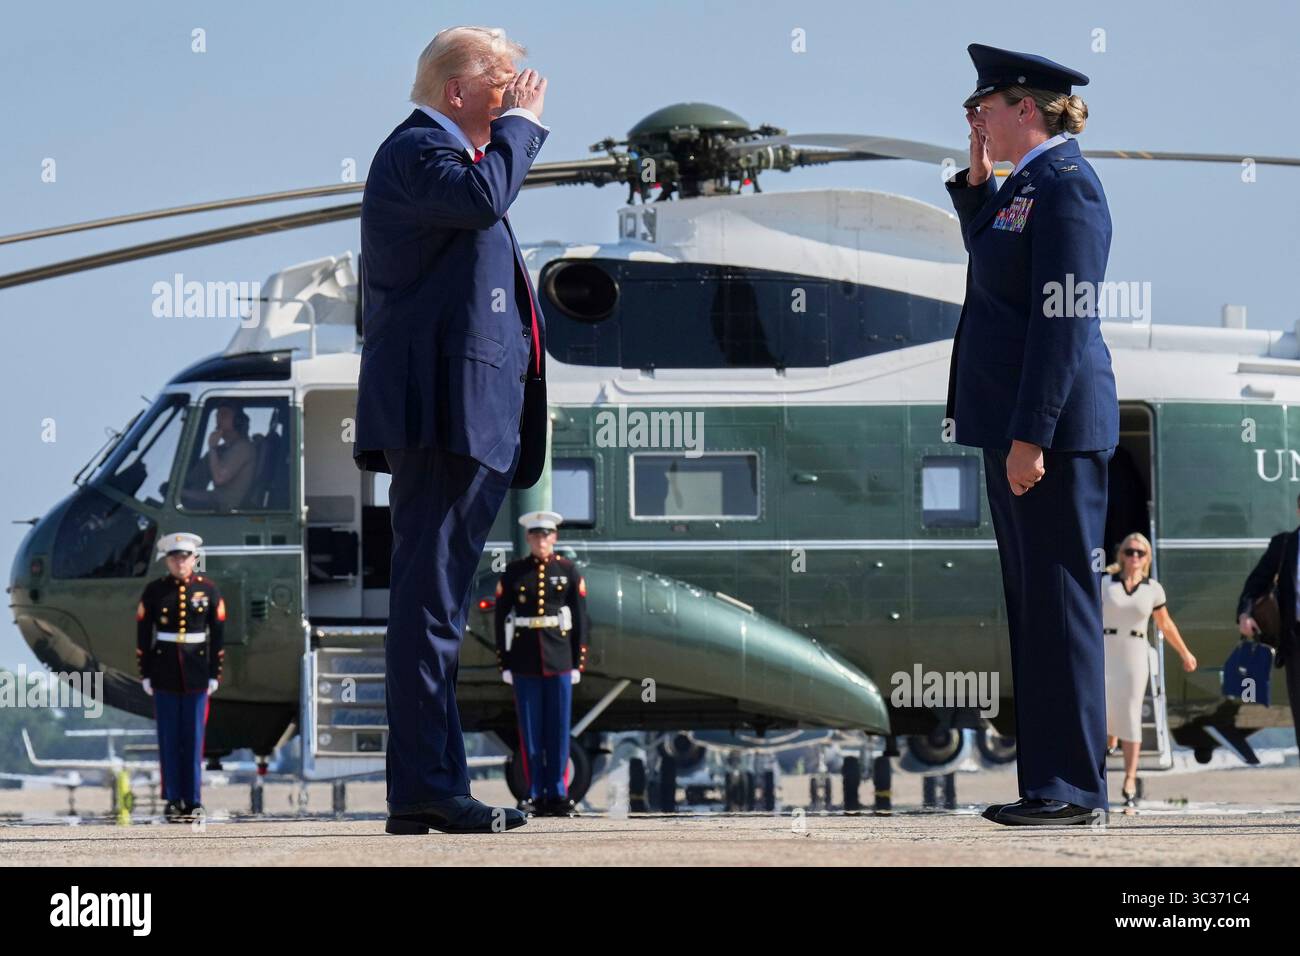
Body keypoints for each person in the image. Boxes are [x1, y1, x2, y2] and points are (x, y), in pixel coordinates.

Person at [351, 26, 551, 836]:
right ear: (455, 91)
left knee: (435, 608)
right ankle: (428, 786)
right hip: (441, 416)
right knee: (428, 610)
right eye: (499, 79)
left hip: (468, 418)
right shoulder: (420, 156)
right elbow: (483, 203)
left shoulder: (456, 162)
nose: (515, 89)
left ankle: (425, 788)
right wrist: (525, 131)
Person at [944, 43, 1119, 826]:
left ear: (1027, 107)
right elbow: (999, 270)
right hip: (1016, 430)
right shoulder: (1024, 188)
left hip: (1047, 435)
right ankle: (1047, 783)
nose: (975, 116)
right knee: (1034, 610)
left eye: (986, 104)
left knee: (1060, 605)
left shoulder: (1068, 188)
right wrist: (977, 186)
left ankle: (1073, 788)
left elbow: (1063, 325)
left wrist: (1031, 435)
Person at [495, 511, 589, 817]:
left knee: (559, 730)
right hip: (524, 659)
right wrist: (505, 661)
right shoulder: (513, 573)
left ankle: (558, 793)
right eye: (536, 536)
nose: (542, 540)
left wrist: (577, 662)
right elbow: (500, 619)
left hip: (560, 658)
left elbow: (581, 621)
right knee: (530, 731)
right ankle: (535, 793)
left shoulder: (568, 571)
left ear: (555, 538)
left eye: (547, 535)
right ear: (529, 539)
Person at [1101, 532, 1196, 809]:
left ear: (1147, 558)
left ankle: (1130, 778)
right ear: (1121, 555)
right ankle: (1110, 738)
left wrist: (1185, 653)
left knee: (1131, 713)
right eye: (1129, 551)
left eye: (1140, 553)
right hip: (1106, 648)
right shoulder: (1106, 584)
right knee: (1103, 707)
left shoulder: (1153, 589)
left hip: (1135, 651)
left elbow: (1165, 625)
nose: (1134, 557)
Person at [136, 532, 225, 822]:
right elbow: (142, 634)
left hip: (197, 673)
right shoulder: (154, 591)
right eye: (174, 558)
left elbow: (218, 635)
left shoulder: (208, 590)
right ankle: (174, 799)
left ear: (194, 559)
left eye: (184, 557)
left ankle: (194, 799)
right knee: (169, 739)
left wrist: (214, 672)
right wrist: (146, 672)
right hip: (164, 673)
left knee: (194, 739)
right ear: (167, 562)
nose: (180, 562)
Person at [1236, 495, 1300, 754]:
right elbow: (1255, 585)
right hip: (1295, 641)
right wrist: (1244, 615)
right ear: (1298, 509)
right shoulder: (1285, 544)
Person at [182, 405, 256, 511]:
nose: (218, 419)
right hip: (217, 501)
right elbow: (197, 479)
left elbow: (219, 479)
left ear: (237, 421)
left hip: (225, 508)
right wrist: (181, 490)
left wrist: (212, 447)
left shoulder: (243, 447)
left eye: (224, 415)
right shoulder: (223, 449)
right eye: (217, 415)